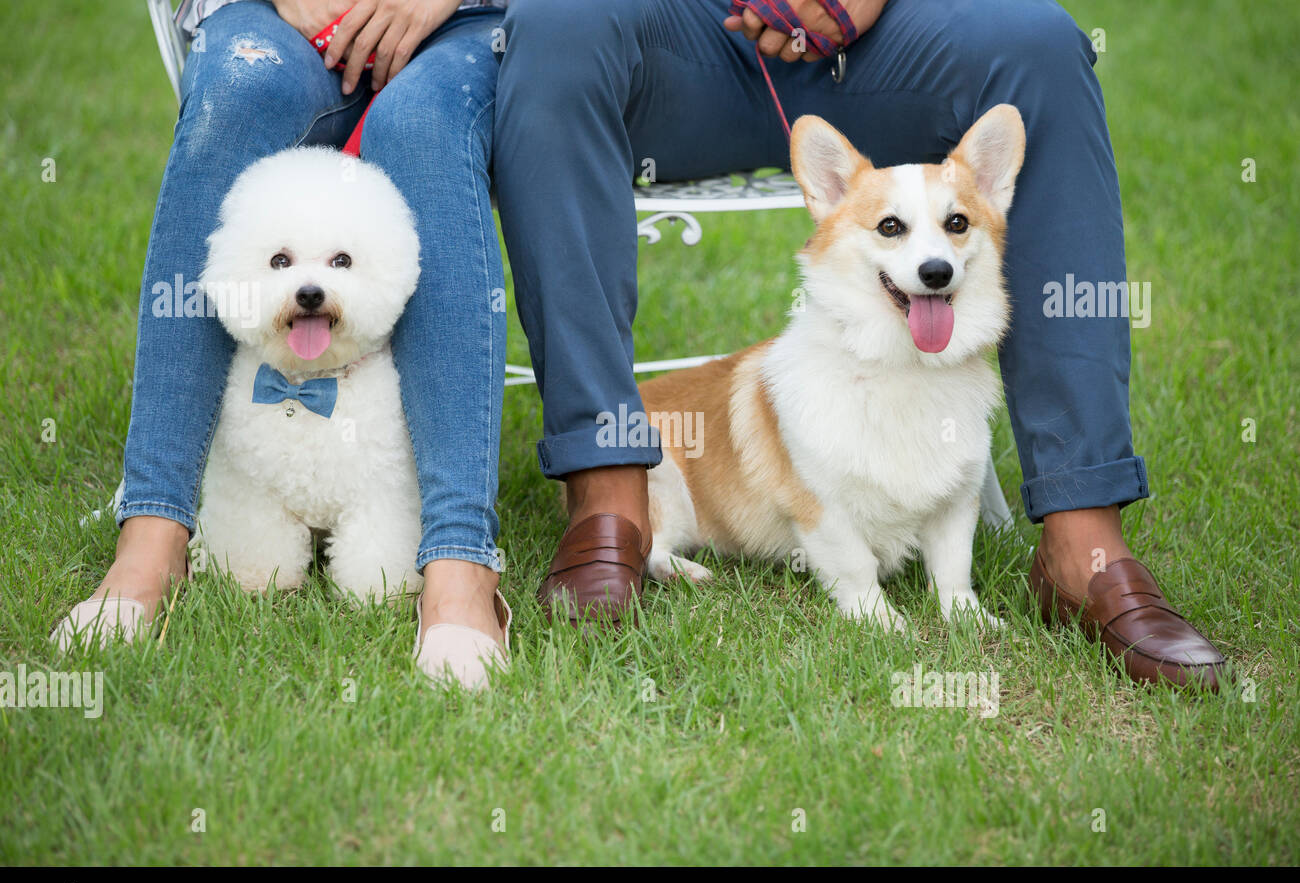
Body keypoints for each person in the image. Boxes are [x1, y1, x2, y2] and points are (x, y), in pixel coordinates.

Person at [492, 0, 1226, 688]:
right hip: (673, 37)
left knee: (1039, 42)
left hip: (877, 44)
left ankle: (1082, 536)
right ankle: (613, 491)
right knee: (559, 18)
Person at [54, 0, 512, 687]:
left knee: (421, 123)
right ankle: (152, 535)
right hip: (283, 12)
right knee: (240, 90)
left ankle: (457, 562)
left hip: (466, 19)